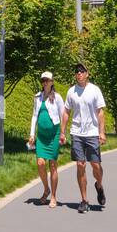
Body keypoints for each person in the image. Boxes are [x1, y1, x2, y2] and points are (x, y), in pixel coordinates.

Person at [62, 63, 107, 214]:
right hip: (77, 133)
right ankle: (84, 200)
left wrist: (101, 132)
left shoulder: (95, 90)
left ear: (87, 73)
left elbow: (100, 112)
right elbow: (67, 112)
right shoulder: (71, 92)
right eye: (77, 72)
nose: (79, 73)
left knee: (95, 166)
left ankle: (99, 186)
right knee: (80, 165)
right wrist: (63, 132)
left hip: (92, 133)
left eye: (82, 71)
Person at [27, 71, 65, 208]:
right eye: (43, 80)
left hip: (54, 135)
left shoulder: (58, 97)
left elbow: (63, 116)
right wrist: (32, 134)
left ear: (52, 82)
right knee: (40, 163)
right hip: (42, 137)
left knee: (53, 165)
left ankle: (53, 196)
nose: (44, 82)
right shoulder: (37, 97)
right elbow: (34, 116)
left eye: (47, 80)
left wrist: (63, 133)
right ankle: (46, 189)